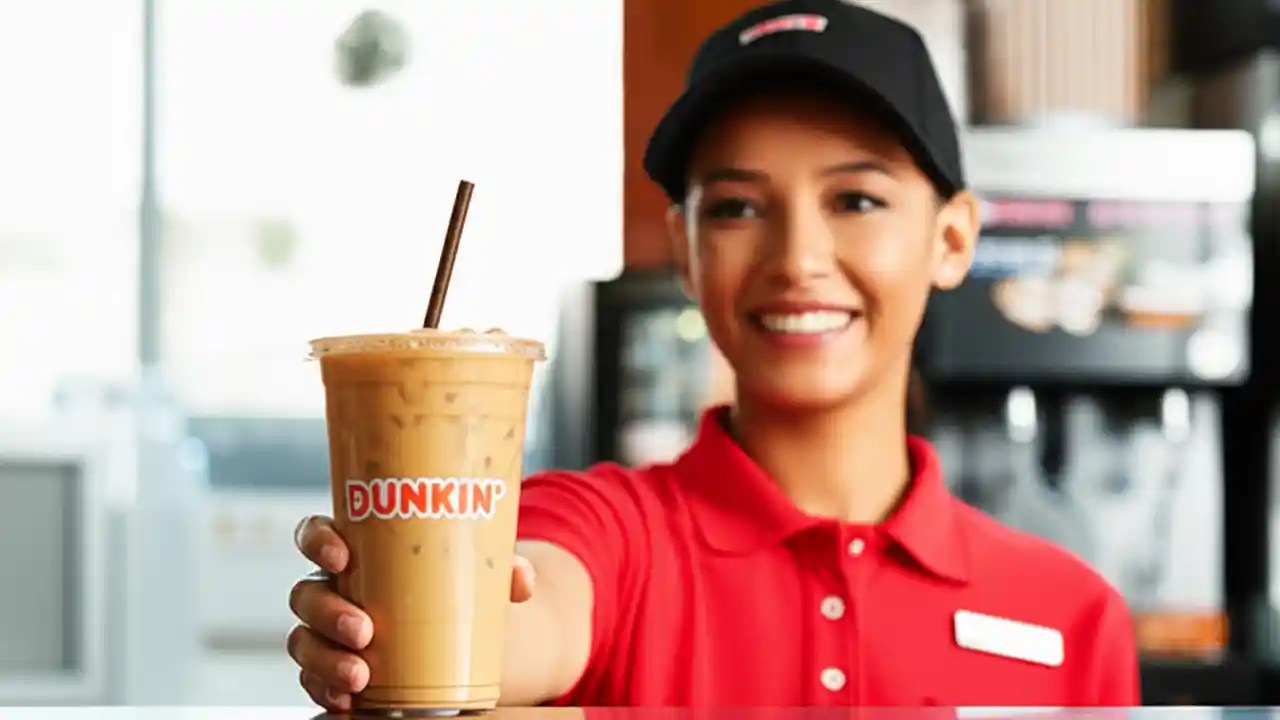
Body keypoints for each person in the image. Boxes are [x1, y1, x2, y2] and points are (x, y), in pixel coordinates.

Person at [286, 0, 1140, 708]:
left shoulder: (1074, 616)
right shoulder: (611, 536)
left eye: (855, 198)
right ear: (687, 252)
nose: (797, 258)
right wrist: (407, 618)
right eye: (736, 208)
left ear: (951, 240)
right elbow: (523, 614)